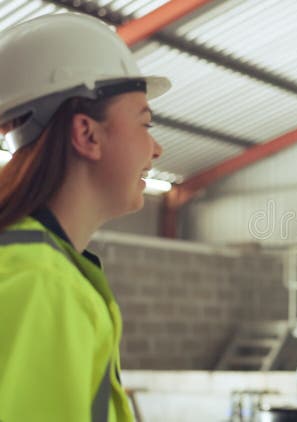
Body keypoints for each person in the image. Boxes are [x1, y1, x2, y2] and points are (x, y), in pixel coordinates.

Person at [0, 13, 170, 422]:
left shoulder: (33, 270)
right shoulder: (43, 285)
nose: (157, 149)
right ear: (87, 134)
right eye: (145, 123)